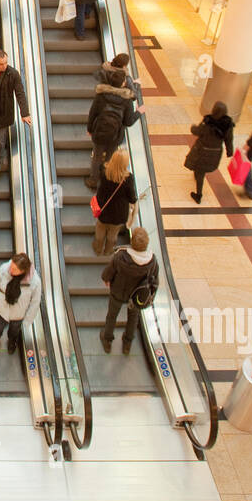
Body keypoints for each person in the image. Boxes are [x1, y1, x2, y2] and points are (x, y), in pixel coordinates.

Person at [86, 53, 143, 188]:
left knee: (97, 156)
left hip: (99, 132)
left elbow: (93, 113)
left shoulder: (101, 95)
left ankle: (93, 180)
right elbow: (128, 121)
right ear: (123, 84)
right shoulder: (126, 101)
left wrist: (90, 129)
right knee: (110, 158)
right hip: (116, 135)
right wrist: (139, 112)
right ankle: (106, 181)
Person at [100, 227, 158, 355]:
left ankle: (107, 340)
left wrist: (106, 279)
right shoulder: (152, 260)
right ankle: (127, 344)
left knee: (112, 315)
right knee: (133, 318)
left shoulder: (121, 256)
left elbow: (107, 274)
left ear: (132, 242)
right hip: (137, 296)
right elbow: (154, 280)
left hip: (118, 292)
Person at [0, 253, 41, 353]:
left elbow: (35, 303)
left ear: (23, 271)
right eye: (11, 266)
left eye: (14, 269)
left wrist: (28, 320)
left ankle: (12, 342)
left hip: (18, 314)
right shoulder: (4, 269)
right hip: (1, 309)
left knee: (14, 331)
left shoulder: (35, 282)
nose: (10, 270)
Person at [185, 101, 235, 204]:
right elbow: (229, 140)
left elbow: (197, 131)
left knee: (200, 172)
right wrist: (230, 152)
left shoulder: (208, 122)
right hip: (215, 153)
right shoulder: (227, 125)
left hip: (201, 151)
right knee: (201, 170)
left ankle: (198, 195)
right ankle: (197, 176)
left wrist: (193, 127)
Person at [92, 148, 138, 255]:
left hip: (103, 208)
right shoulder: (128, 179)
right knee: (112, 234)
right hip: (119, 213)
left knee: (100, 230)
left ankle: (98, 249)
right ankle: (108, 251)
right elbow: (132, 198)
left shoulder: (104, 171)